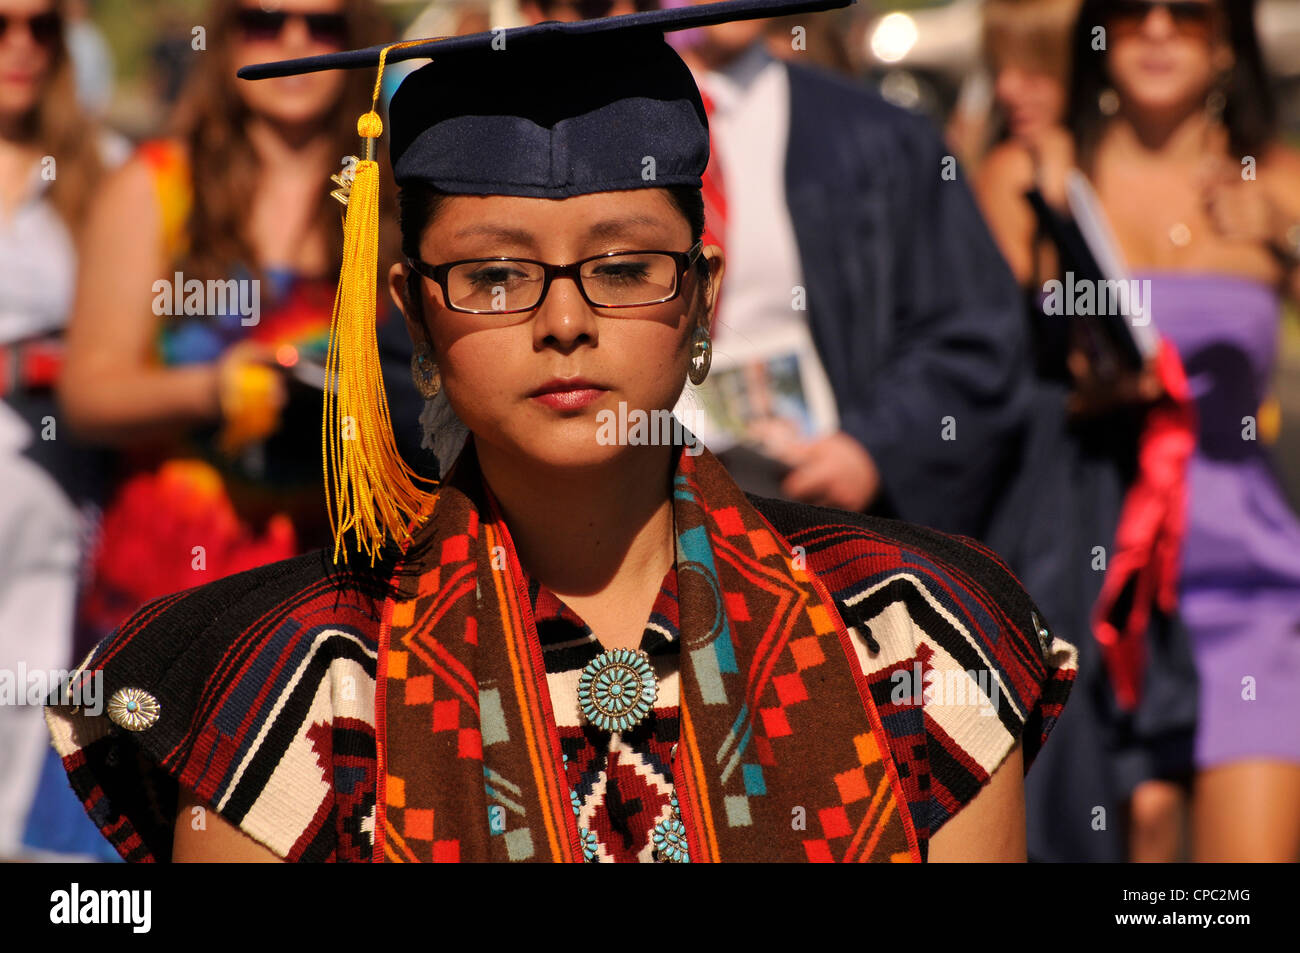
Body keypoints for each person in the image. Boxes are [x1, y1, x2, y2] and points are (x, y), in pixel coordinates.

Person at [45, 0, 1078, 864]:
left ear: (704, 298)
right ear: (413, 315)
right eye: (494, 275)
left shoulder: (918, 645)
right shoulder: (288, 693)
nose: (566, 320)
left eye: (625, 267)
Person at [987, 0, 1300, 863]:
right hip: (1090, 574)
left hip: (1248, 583)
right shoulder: (1034, 170)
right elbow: (986, 369)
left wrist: (1288, 238)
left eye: (1190, 12)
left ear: (1229, 39)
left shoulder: (1277, 178)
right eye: (1130, 12)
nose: (1158, 31)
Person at [57, 0, 402, 652]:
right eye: (265, 21)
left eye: (322, 24)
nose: (295, 41)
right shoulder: (154, 187)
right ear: (226, 38)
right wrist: (212, 391)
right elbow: (86, 395)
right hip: (167, 595)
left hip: (337, 591)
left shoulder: (394, 195)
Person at [652, 3, 1034, 542]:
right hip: (635, 514)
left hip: (813, 518)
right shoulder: (590, 137)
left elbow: (972, 335)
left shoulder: (881, 139)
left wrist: (874, 448)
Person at [975, 0, 1201, 863]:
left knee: (1139, 774)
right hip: (1048, 483)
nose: (1012, 88)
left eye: (1036, 67)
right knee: (1068, 730)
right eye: (1002, 68)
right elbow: (1024, 348)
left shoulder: (1096, 165)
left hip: (1119, 481)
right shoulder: (1011, 168)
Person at [0, 0, 127, 860]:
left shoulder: (105, 170)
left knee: (34, 728)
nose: (22, 48)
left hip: (53, 513)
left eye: (41, 27)